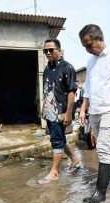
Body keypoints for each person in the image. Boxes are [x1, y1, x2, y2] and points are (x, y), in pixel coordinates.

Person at [79, 24, 110, 203]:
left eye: (89, 45)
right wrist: (84, 109)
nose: (88, 49)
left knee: (102, 148)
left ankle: (100, 193)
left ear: (99, 38)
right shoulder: (91, 61)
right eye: (84, 46)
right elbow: (88, 88)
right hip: (94, 111)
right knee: (106, 146)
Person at [38, 38, 80, 184]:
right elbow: (46, 91)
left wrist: (69, 113)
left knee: (56, 140)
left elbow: (71, 92)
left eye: (51, 50)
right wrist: (44, 109)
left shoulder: (67, 67)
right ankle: (75, 159)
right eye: (45, 51)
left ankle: (54, 171)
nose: (48, 53)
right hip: (49, 111)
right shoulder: (47, 69)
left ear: (59, 50)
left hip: (60, 112)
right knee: (59, 138)